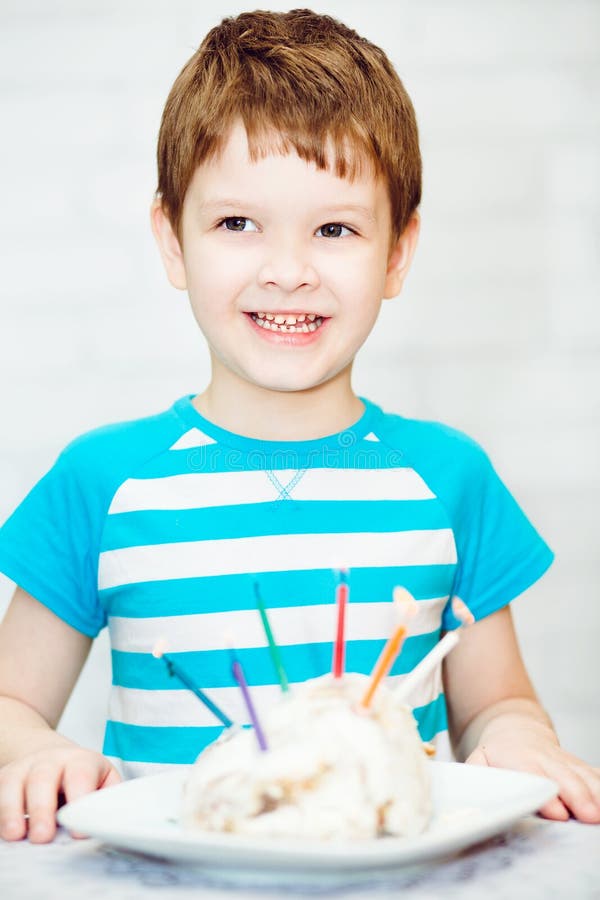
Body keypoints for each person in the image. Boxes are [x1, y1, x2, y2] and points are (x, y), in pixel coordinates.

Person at [0, 9, 598, 845]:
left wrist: (517, 736)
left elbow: (498, 702)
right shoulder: (101, 482)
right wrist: (30, 753)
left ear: (398, 253)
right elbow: (11, 705)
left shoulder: (449, 479)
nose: (287, 271)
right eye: (237, 224)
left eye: (335, 229)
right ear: (172, 240)